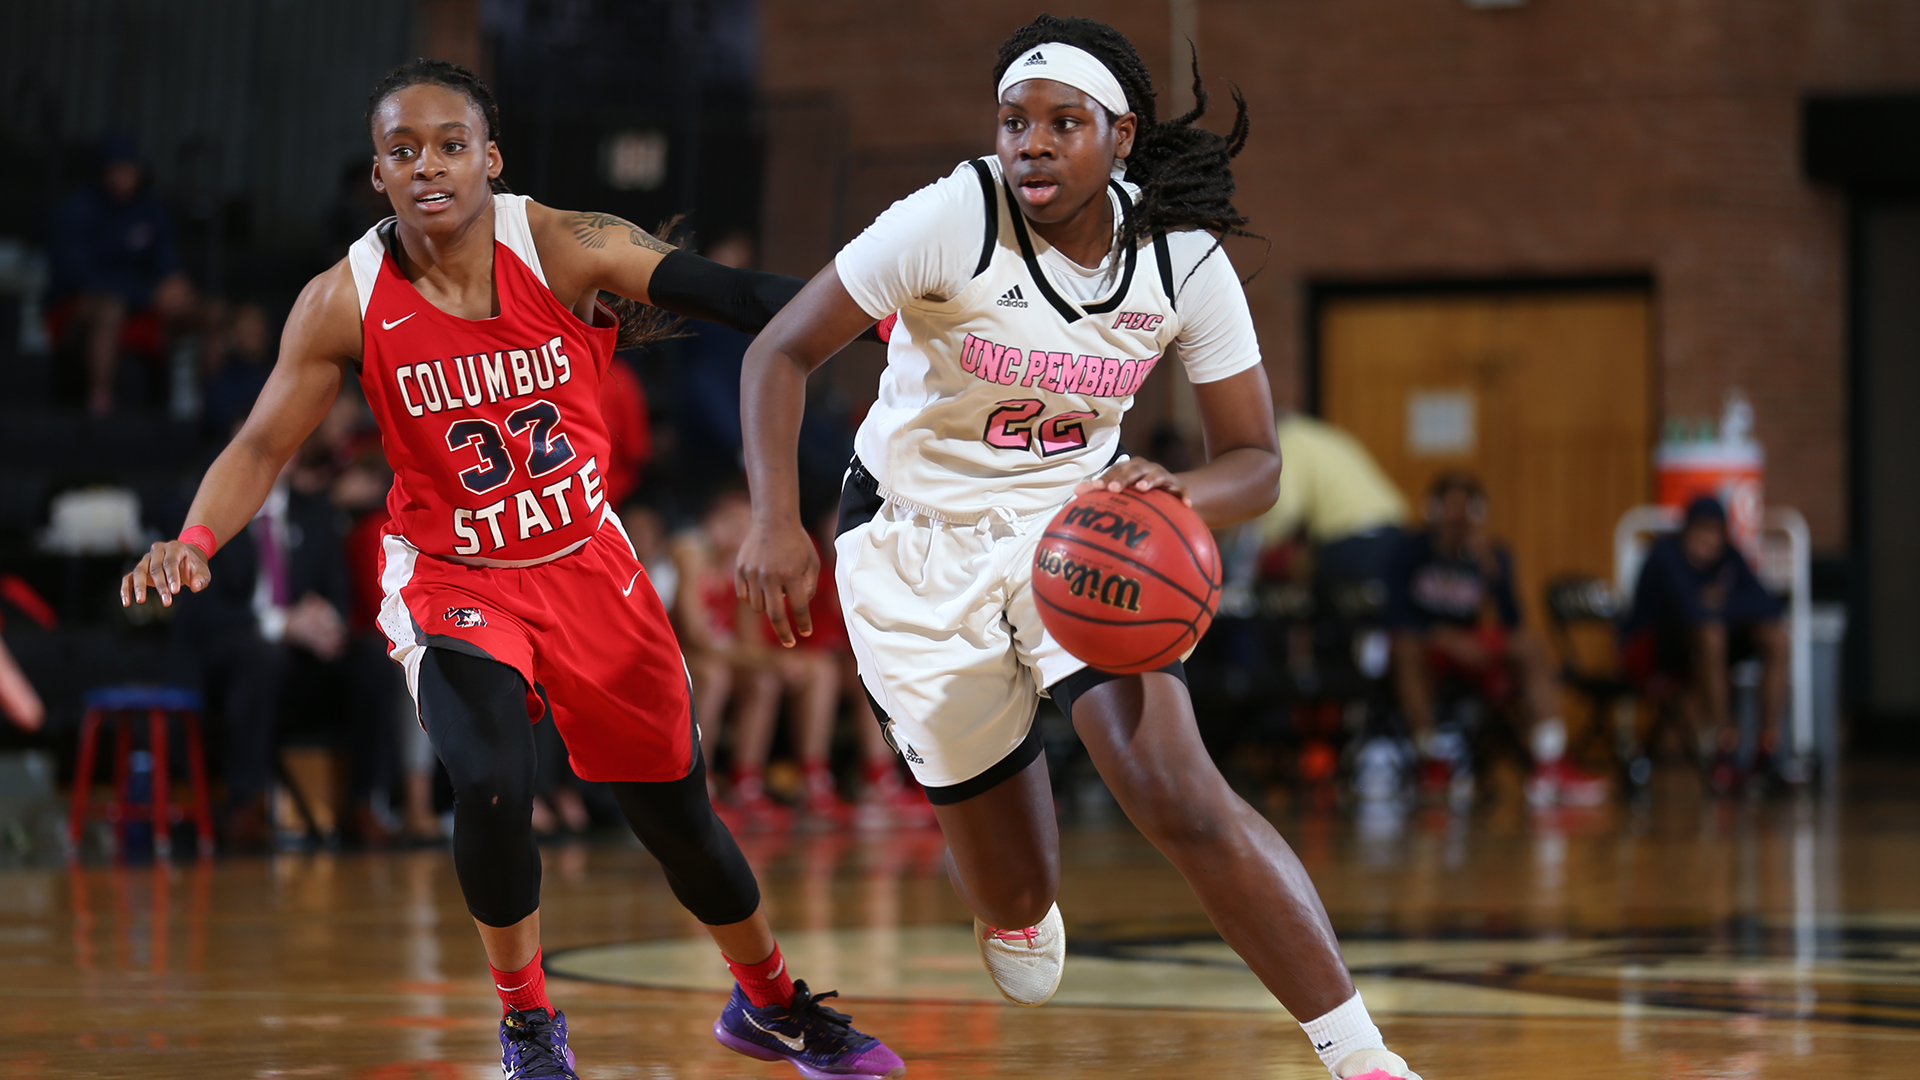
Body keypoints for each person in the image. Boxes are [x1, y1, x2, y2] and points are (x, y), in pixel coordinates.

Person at [122, 60, 901, 1080]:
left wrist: (887, 318)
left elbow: (737, 295)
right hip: (455, 574)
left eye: (451, 144)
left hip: (586, 560)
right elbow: (262, 445)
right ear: (378, 176)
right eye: (404, 150)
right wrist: (192, 538)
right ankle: (529, 1023)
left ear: (491, 157)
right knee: (490, 779)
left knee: (681, 824)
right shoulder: (340, 303)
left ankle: (769, 1003)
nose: (429, 165)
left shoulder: (564, 243)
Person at [736, 17, 1420, 1080]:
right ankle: (1013, 908)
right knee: (1014, 888)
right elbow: (781, 352)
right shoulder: (950, 217)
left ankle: (1360, 1055)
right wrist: (777, 520)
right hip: (913, 538)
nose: (1033, 144)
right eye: (1015, 123)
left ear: (1121, 135)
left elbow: (1256, 460)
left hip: (1073, 529)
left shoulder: (1181, 257)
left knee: (1178, 790)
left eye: (1065, 123)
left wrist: (1178, 491)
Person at [1384, 471, 1606, 807]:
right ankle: (1431, 761)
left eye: (1465, 508)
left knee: (1528, 645)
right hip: (1430, 645)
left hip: (1473, 645)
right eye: (1449, 506)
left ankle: (1550, 761)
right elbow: (1396, 614)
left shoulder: (1491, 553)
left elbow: (1512, 620)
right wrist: (1444, 638)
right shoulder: (1411, 550)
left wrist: (1492, 571)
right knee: (1404, 648)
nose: (1457, 516)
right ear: (1433, 509)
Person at [1622, 495, 1790, 790]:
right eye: (1700, 531)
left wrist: (1722, 600)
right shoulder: (1665, 555)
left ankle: (1767, 748)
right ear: (1685, 531)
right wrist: (1728, 605)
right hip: (1653, 651)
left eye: (1715, 533)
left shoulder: (1729, 556)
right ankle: (1724, 747)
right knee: (1710, 632)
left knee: (1776, 636)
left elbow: (1770, 604)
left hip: (1705, 649)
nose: (1708, 541)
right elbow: (1690, 610)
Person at [49, 136, 198, 416]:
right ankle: (101, 399)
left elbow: (166, 262)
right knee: (110, 309)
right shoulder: (76, 209)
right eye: (117, 170)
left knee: (202, 312)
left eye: (130, 170)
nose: (124, 177)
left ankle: (202, 412)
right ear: (103, 171)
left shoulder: (151, 210)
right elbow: (81, 275)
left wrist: (175, 286)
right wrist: (148, 294)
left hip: (143, 299)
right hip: (79, 301)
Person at [1260, 412, 1408, 585]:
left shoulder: (1288, 440)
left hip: (1349, 541)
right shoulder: (1326, 435)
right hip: (1392, 533)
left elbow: (1285, 507)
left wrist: (1259, 544)